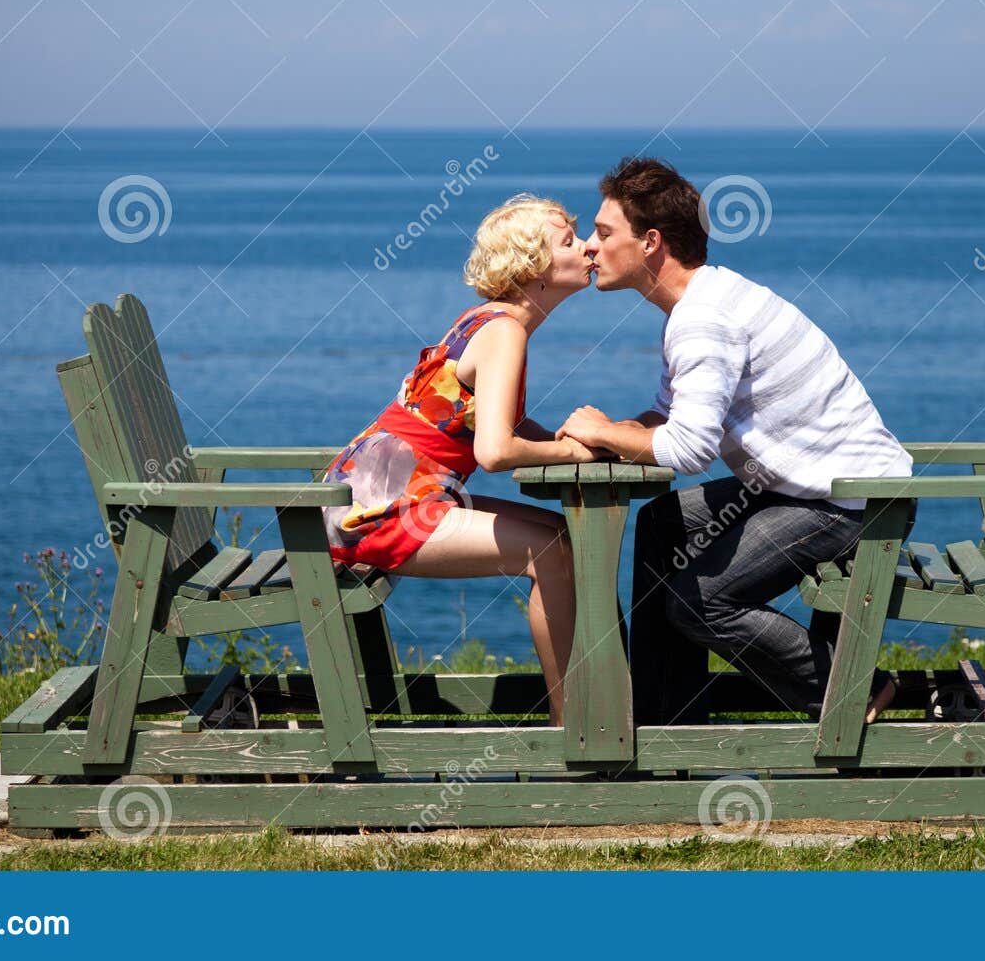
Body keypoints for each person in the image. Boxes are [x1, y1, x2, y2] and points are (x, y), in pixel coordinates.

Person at [556, 157, 912, 726]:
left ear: (650, 243)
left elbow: (690, 449)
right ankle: (663, 716)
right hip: (806, 489)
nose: (589, 247)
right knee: (662, 524)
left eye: (603, 234)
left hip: (848, 505)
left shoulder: (704, 320)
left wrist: (601, 433)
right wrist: (620, 431)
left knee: (701, 602)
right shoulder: (699, 303)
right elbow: (671, 414)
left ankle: (855, 691)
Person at [323, 194, 601, 725]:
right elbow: (494, 451)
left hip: (375, 489)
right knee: (550, 551)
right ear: (533, 266)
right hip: (379, 509)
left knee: (563, 539)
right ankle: (574, 725)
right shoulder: (507, 331)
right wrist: (570, 451)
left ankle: (582, 712)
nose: (588, 247)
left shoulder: (486, 320)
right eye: (569, 241)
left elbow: (496, 423)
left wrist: (569, 440)